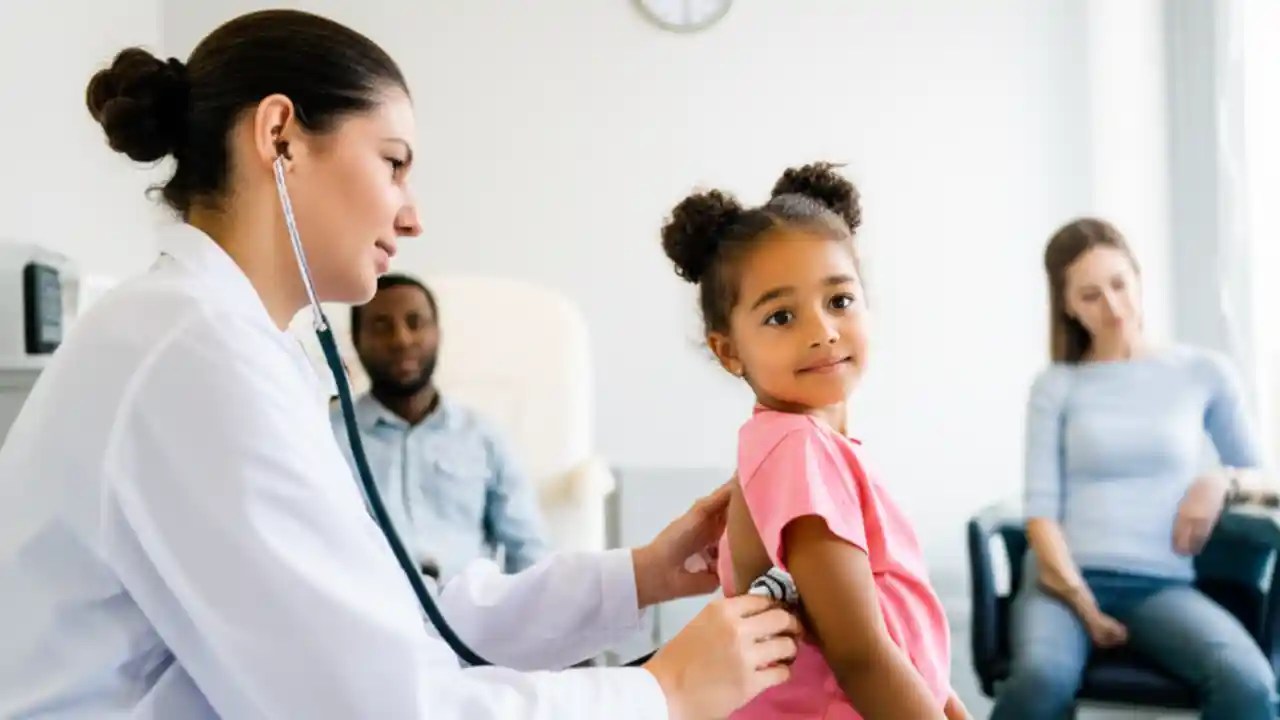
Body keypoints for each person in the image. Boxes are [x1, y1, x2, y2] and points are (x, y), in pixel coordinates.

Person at [0, 10, 802, 719]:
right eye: (393, 163)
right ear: (279, 137)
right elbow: (377, 706)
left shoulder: (222, 343)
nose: (413, 217)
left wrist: (643, 575)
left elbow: (402, 621)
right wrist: (667, 693)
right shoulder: (192, 357)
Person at [659, 162, 969, 719]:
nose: (822, 331)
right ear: (730, 351)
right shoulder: (797, 450)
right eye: (781, 316)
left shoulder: (813, 446)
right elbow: (859, 653)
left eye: (839, 301)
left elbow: (891, 625)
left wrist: (946, 702)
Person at [990, 218, 1278, 720]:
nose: (1113, 306)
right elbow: (1041, 514)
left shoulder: (1203, 372)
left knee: (1247, 683)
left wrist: (1221, 480)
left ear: (1139, 278)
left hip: (1160, 585)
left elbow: (1262, 477)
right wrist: (1085, 608)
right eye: (1090, 295)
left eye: (1120, 284)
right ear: (1067, 306)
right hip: (1062, 584)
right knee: (1041, 681)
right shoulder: (1056, 385)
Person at [335, 273, 549, 581]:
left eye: (415, 323)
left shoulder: (484, 437)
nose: (401, 340)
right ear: (356, 340)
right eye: (381, 326)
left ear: (437, 333)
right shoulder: (329, 438)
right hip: (369, 605)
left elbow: (529, 550)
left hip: (468, 607)